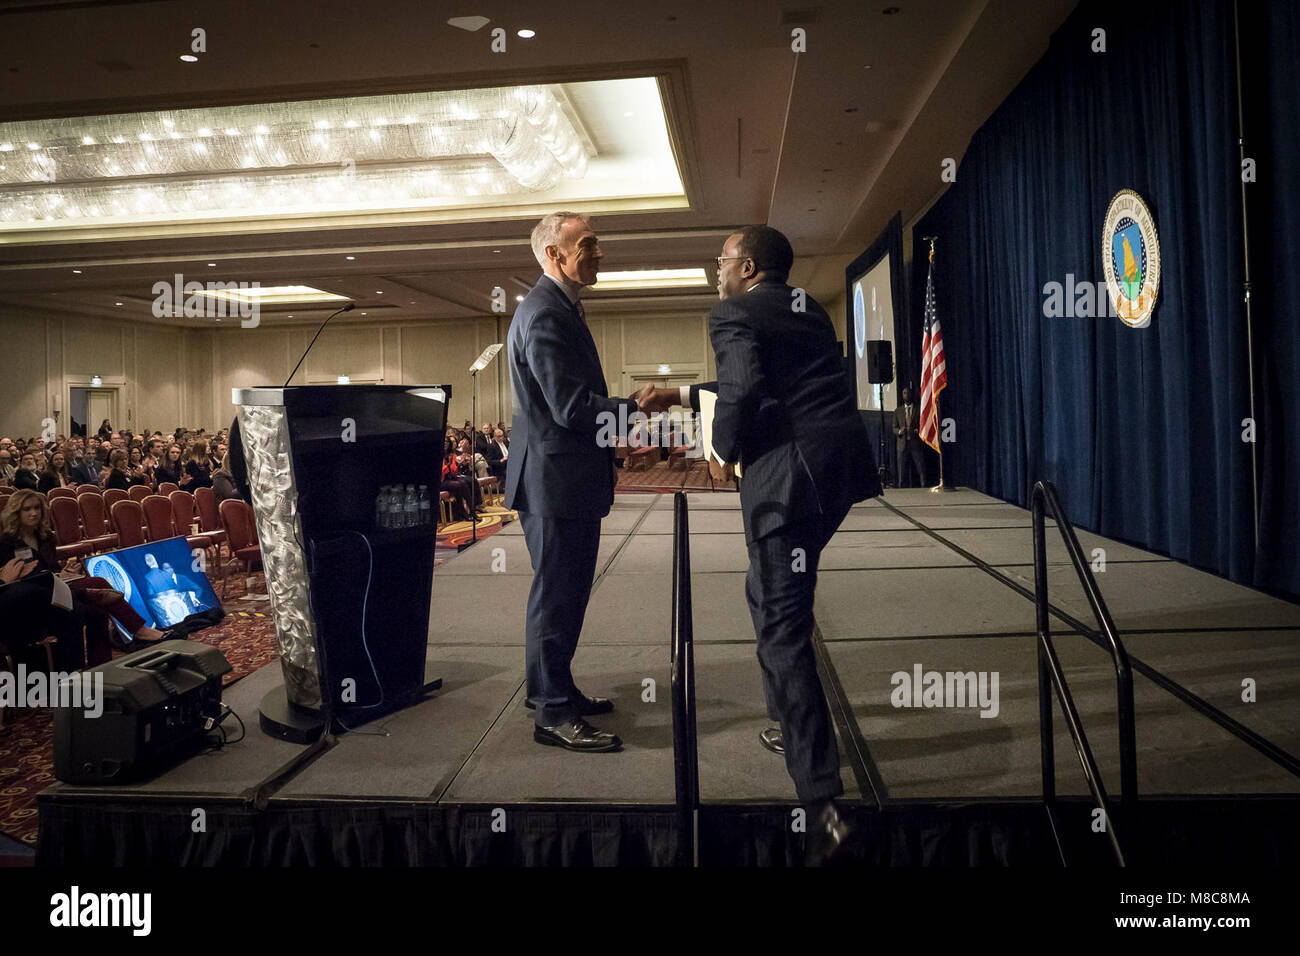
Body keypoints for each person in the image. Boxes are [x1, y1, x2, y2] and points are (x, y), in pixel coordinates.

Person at [640, 225, 878, 864]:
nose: (715, 270)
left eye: (720, 260)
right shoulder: (808, 310)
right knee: (769, 591)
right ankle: (786, 719)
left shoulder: (731, 311)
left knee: (782, 629)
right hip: (837, 476)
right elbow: (776, 387)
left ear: (744, 266)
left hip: (789, 484)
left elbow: (745, 389)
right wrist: (685, 394)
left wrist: (718, 448)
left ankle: (824, 806)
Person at [505, 210, 657, 753]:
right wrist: (631, 409)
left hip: (558, 475)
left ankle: (554, 689)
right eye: (588, 245)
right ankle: (551, 712)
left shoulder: (557, 307)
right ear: (554, 255)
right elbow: (571, 408)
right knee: (557, 595)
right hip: (554, 480)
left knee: (563, 593)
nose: (600, 253)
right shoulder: (545, 313)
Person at [0, 490, 167, 656]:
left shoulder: (46, 538)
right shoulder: (6, 543)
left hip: (56, 586)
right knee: (97, 597)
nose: (34, 513)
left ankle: (103, 662)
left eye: (37, 508)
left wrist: (64, 571)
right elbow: (11, 584)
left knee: (98, 594)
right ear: (16, 512)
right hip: (31, 596)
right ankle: (138, 629)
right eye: (27, 509)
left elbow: (51, 568)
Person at [893, 385, 927, 488]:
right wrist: (899, 431)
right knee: (901, 471)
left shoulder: (918, 409)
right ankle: (901, 489)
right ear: (902, 395)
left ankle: (923, 487)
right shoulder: (898, 411)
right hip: (902, 445)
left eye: (908, 393)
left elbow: (923, 424)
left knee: (920, 468)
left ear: (912, 395)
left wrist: (917, 430)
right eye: (904, 393)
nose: (906, 395)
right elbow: (894, 427)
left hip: (915, 443)